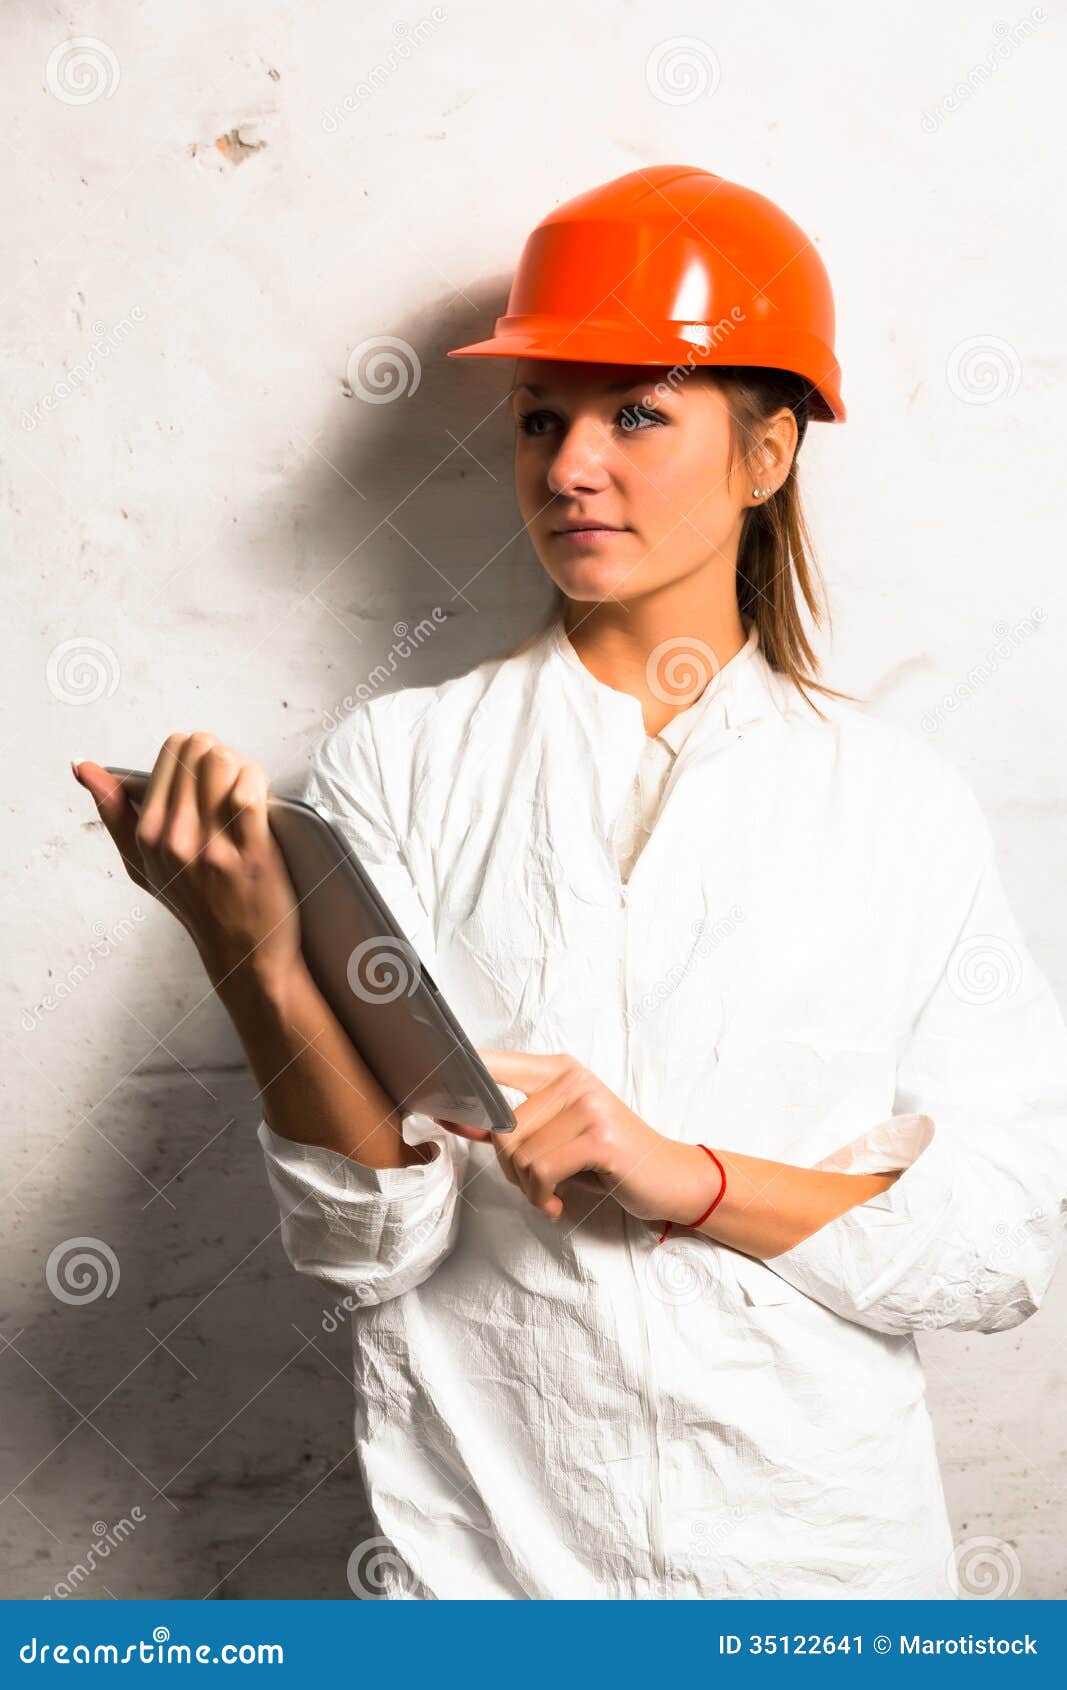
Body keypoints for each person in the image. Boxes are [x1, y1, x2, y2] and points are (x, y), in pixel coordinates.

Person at [73, 165, 1067, 1601]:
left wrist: (693, 1178)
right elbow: (369, 1245)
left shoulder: (899, 806)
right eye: (543, 416)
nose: (568, 464)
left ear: (769, 452)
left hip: (825, 1588)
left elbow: (996, 1241)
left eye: (638, 413)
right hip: (493, 1585)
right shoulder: (399, 768)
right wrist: (253, 952)